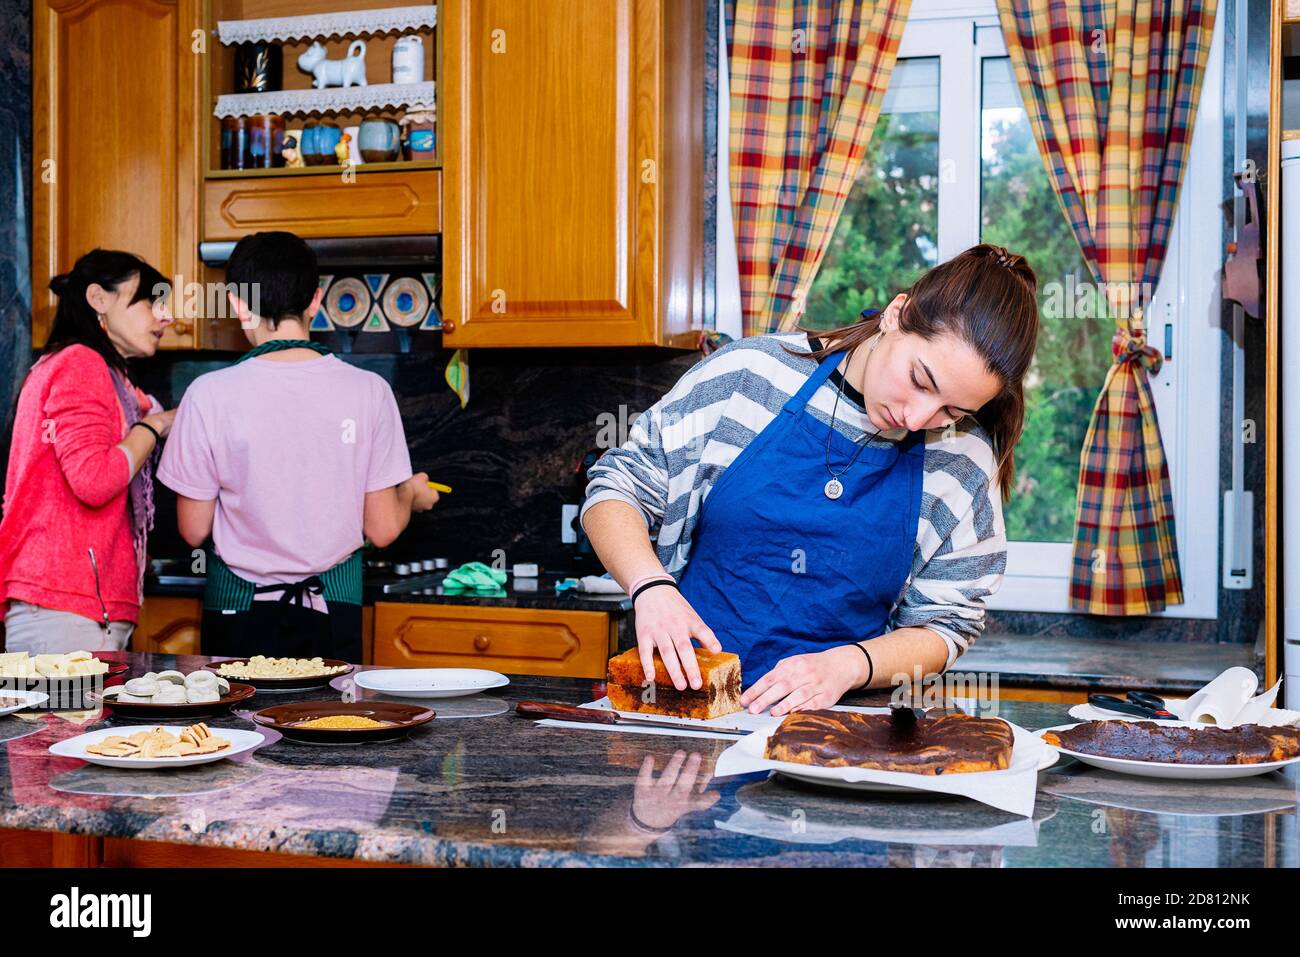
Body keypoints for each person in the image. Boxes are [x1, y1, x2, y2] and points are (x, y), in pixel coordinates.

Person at [581, 243, 1039, 716]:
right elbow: (617, 487)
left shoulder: (962, 458)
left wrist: (847, 665)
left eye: (952, 410)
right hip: (686, 707)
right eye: (920, 380)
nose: (918, 416)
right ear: (896, 314)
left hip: (839, 731)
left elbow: (945, 626)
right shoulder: (751, 375)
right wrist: (650, 587)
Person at [157, 231, 438, 662]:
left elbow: (193, 529)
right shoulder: (368, 391)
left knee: (237, 729)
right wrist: (412, 495)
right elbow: (382, 529)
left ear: (236, 303)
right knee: (329, 723)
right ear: (315, 301)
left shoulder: (207, 394)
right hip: (332, 610)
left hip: (237, 613)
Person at [0, 249, 176, 652]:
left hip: (70, 606)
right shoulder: (81, 363)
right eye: (152, 302)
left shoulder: (89, 371)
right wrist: (154, 425)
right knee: (65, 718)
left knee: (73, 718)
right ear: (99, 299)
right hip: (64, 608)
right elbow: (94, 480)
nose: (165, 318)